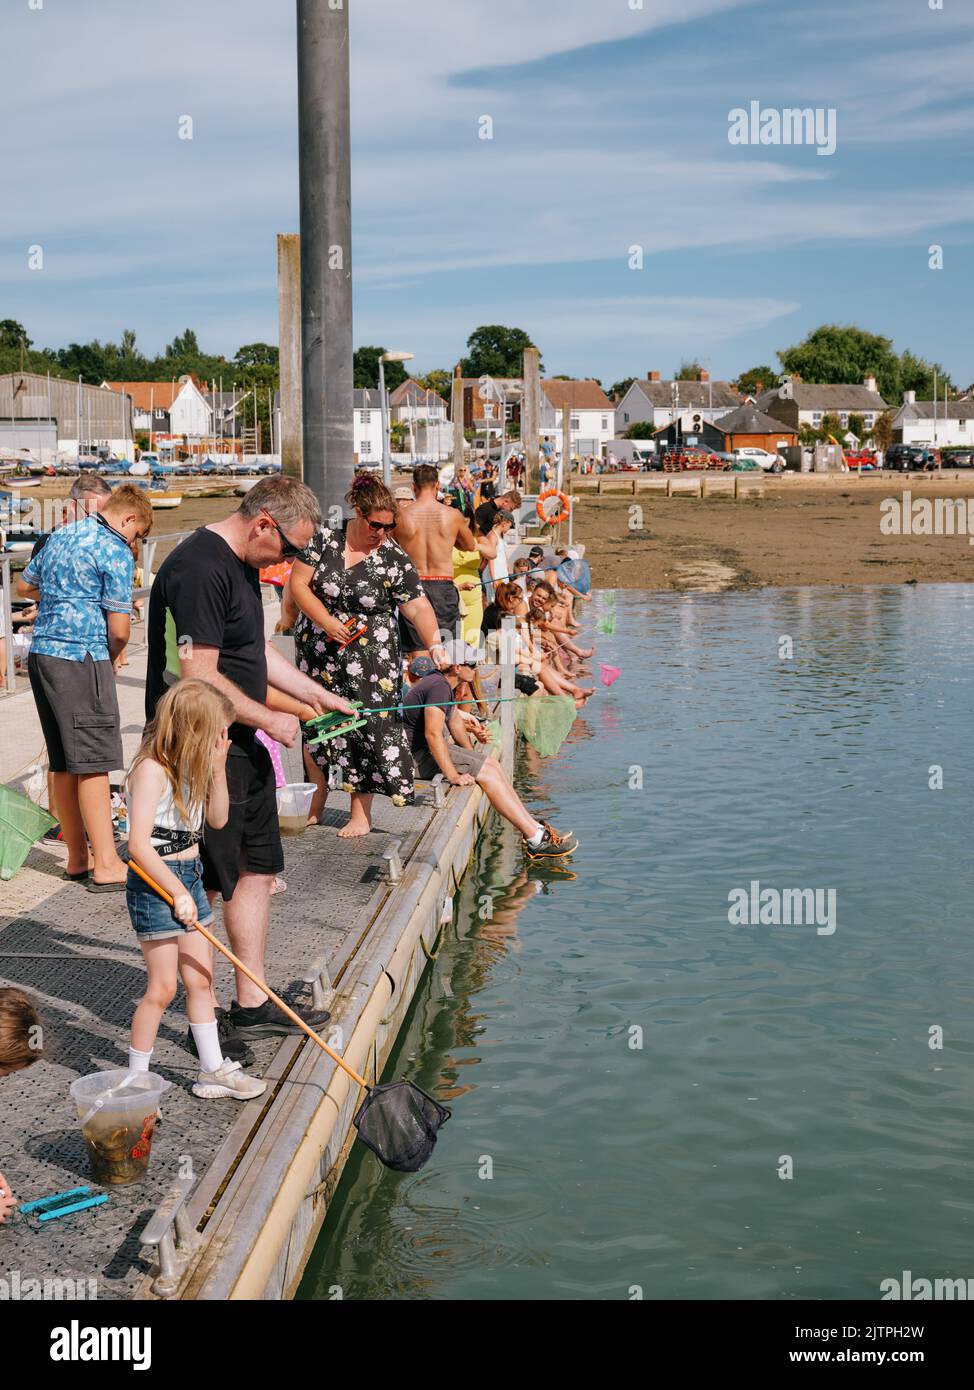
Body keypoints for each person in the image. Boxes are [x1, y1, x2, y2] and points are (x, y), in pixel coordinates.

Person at [146, 476, 346, 1052]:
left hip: (240, 747)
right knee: (206, 885)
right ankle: (203, 1023)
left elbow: (252, 653)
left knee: (256, 869)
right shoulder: (199, 569)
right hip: (200, 750)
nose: (289, 561)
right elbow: (198, 675)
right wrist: (271, 720)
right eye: (288, 549)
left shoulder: (242, 563)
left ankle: (251, 1003)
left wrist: (317, 695)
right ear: (263, 523)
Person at [125, 680, 265, 1100]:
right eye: (218, 733)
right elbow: (137, 846)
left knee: (201, 981)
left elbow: (218, 820)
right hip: (156, 884)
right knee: (162, 988)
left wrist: (220, 768)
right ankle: (137, 1081)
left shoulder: (197, 766)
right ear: (193, 729)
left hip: (188, 877)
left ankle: (212, 1069)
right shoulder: (151, 769)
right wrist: (175, 892)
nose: (223, 740)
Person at [289, 472, 448, 838]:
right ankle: (317, 801)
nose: (382, 532)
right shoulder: (325, 537)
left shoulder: (392, 558)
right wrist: (327, 621)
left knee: (367, 727)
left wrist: (435, 642)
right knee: (315, 725)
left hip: (371, 658)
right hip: (318, 648)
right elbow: (298, 584)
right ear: (357, 513)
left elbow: (418, 606)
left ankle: (361, 813)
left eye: (389, 526)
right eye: (376, 524)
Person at [22, 483, 154, 890]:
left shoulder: (62, 534)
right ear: (128, 518)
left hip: (42, 653)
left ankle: (78, 856)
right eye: (139, 534)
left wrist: (64, 597)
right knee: (95, 761)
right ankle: (107, 862)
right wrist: (115, 654)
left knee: (63, 762)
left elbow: (24, 586)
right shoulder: (112, 549)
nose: (136, 542)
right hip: (82, 657)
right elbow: (118, 629)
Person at [403, 639, 578, 859]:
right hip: (415, 759)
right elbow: (432, 734)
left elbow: (455, 721)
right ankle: (536, 839)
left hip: (420, 754)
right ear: (457, 667)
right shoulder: (438, 687)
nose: (477, 668)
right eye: (473, 664)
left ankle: (534, 829)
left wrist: (471, 755)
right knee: (487, 771)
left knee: (491, 764)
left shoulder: (441, 683)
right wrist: (453, 775)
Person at [394, 464, 476, 657]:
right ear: (437, 485)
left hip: (413, 585)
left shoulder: (401, 517)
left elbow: (392, 549)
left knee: (418, 650)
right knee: (447, 649)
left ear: (414, 487)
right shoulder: (453, 515)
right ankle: (444, 686)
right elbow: (470, 545)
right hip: (443, 585)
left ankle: (423, 686)